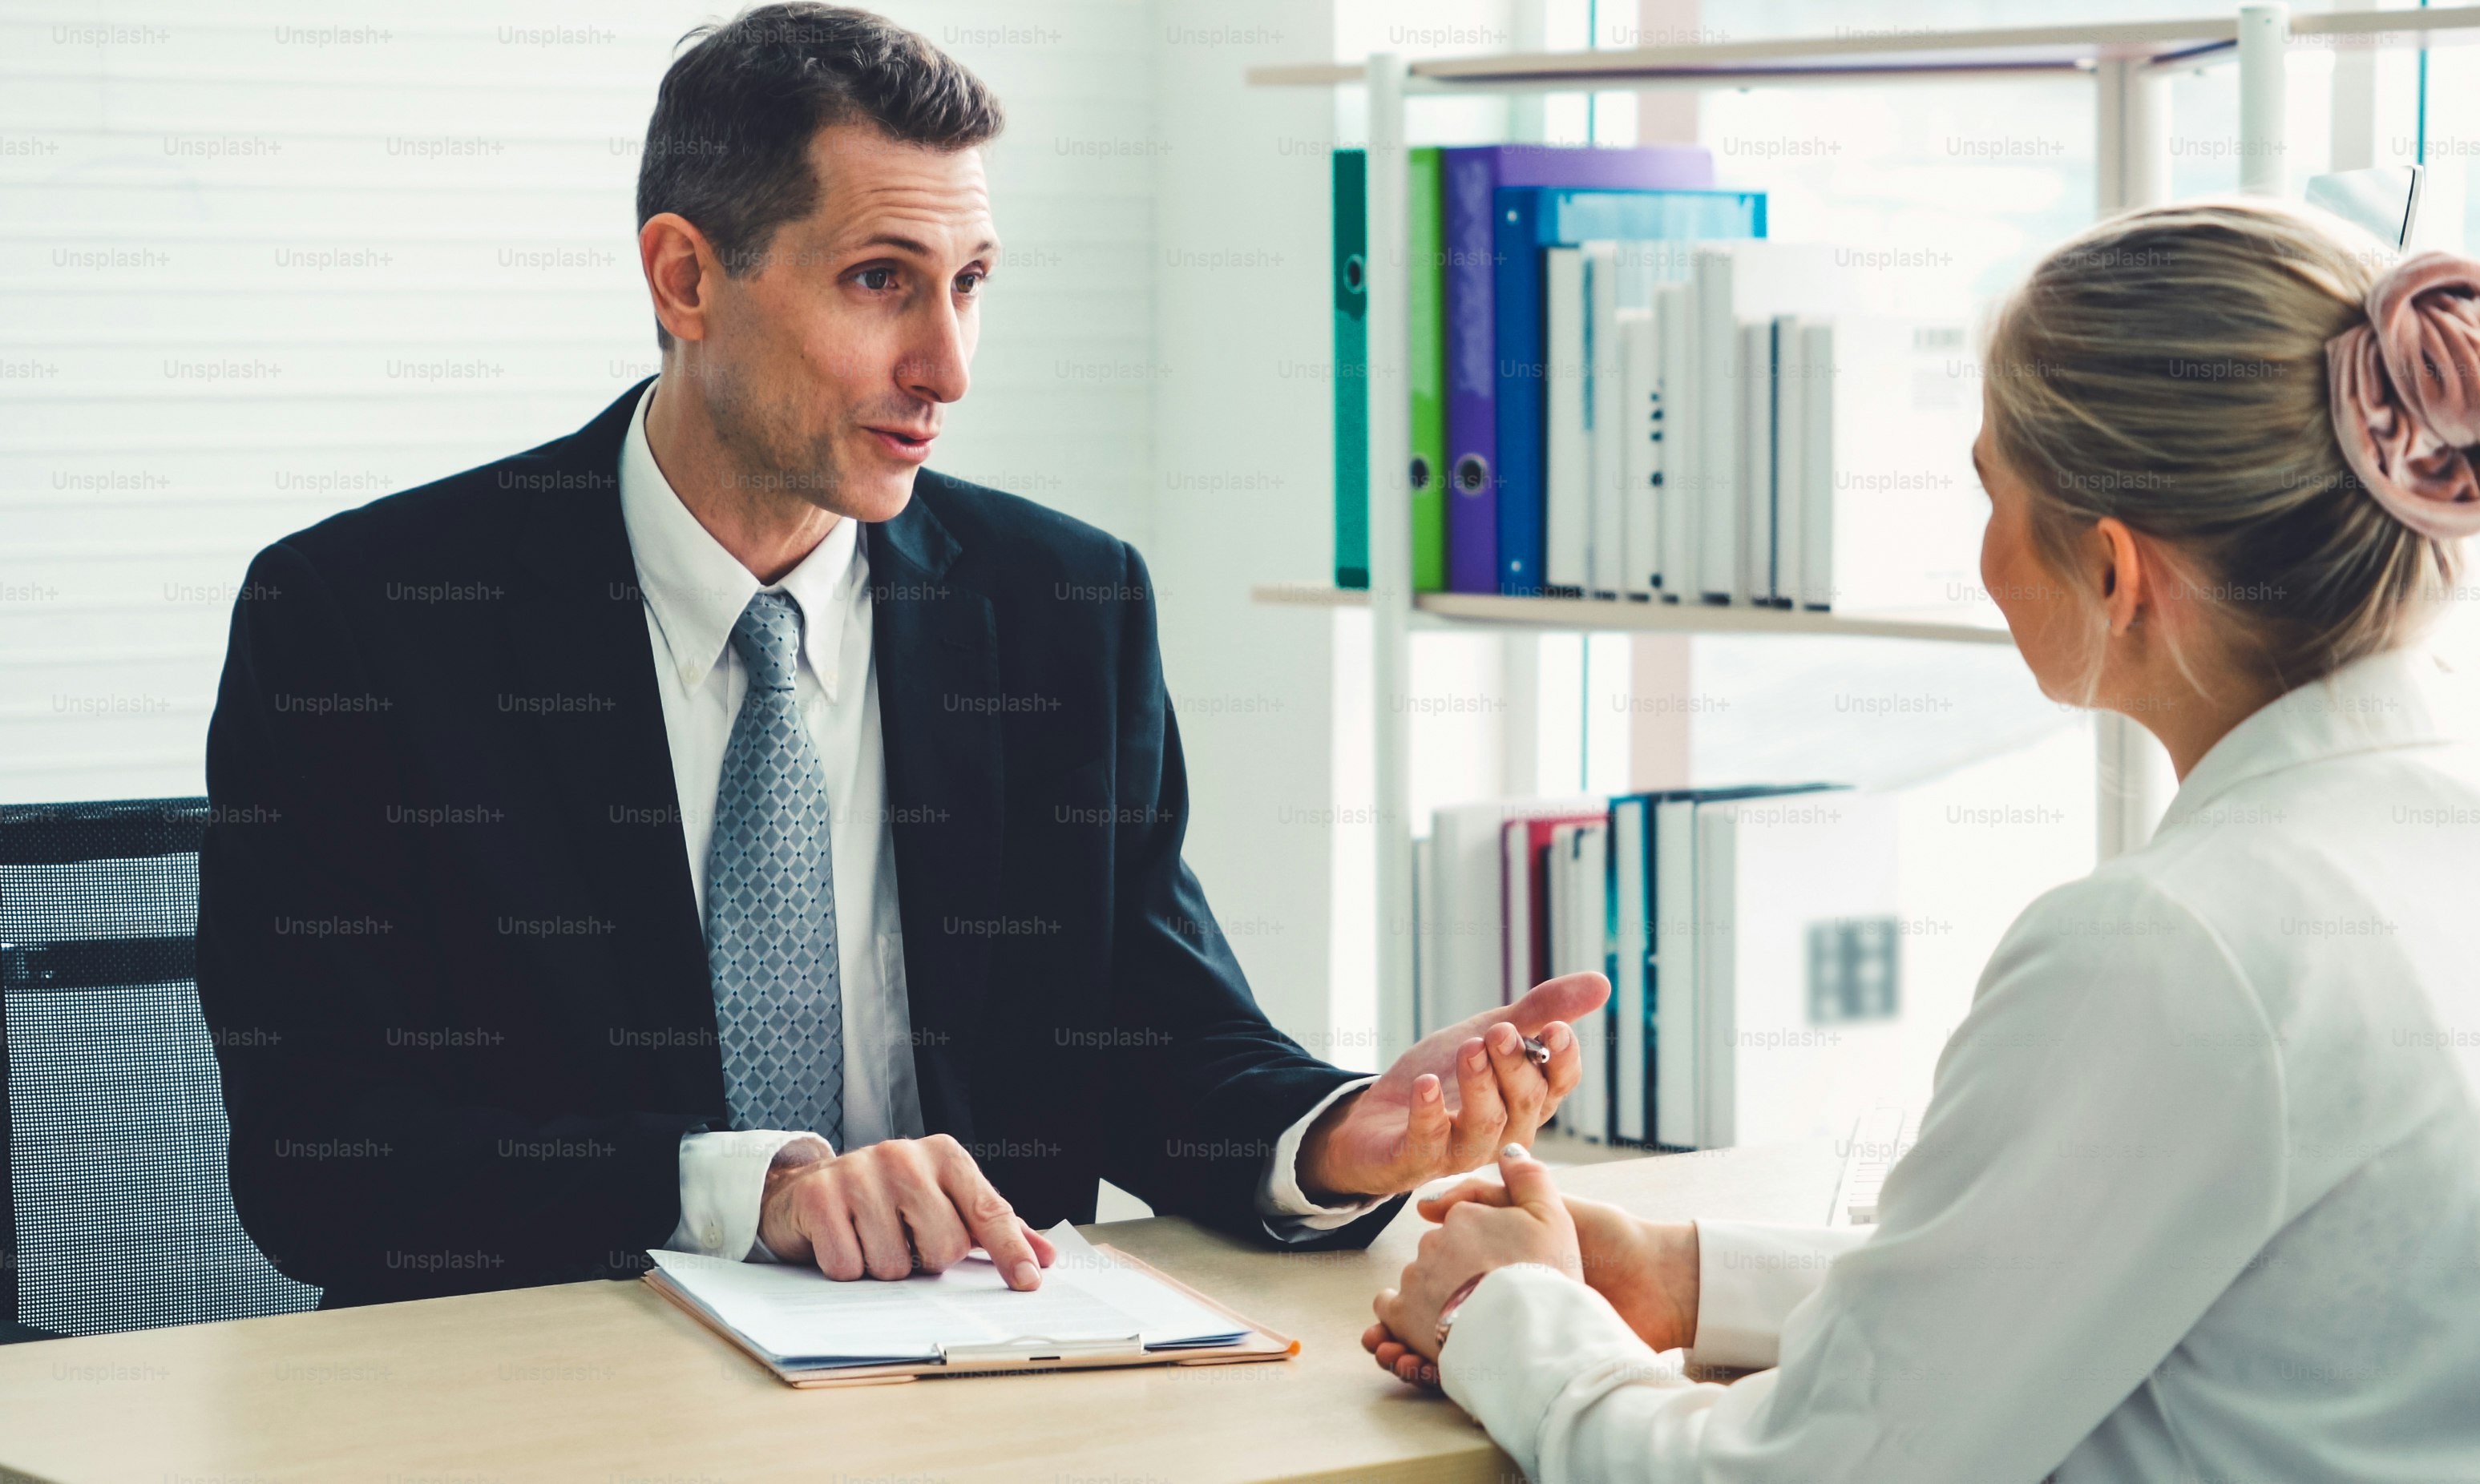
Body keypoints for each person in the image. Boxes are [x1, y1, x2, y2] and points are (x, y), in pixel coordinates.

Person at [196, 1, 1604, 1311]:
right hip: (546, 1394)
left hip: (977, 1381)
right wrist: (758, 1195)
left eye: (971, 282)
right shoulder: (367, 621)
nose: (948, 366)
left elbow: (1145, 1038)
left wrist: (1335, 1132)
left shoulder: (1058, 606)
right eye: (881, 281)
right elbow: (323, 1157)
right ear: (687, 277)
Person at [1362, 201, 2480, 1482]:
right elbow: (2139, 1287)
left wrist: (1515, 1319)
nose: (1975, 552)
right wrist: (1685, 1278)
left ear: (2112, 571)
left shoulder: (2177, 943)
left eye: (1989, 487)